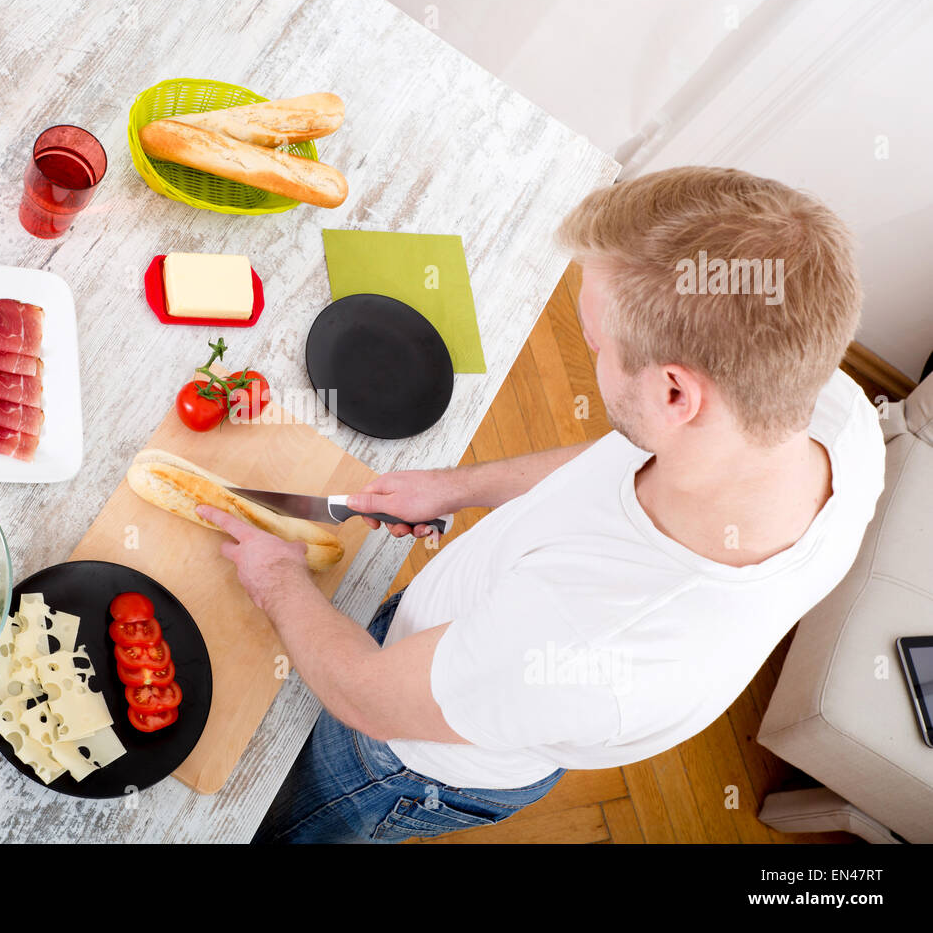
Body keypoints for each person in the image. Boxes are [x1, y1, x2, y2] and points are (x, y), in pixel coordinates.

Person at [195, 166, 886, 844]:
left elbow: (368, 697)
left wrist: (279, 581)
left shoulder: (586, 639)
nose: (588, 348)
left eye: (595, 341)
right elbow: (617, 460)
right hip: (450, 660)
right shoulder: (826, 412)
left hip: (398, 758)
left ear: (676, 393)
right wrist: (457, 489)